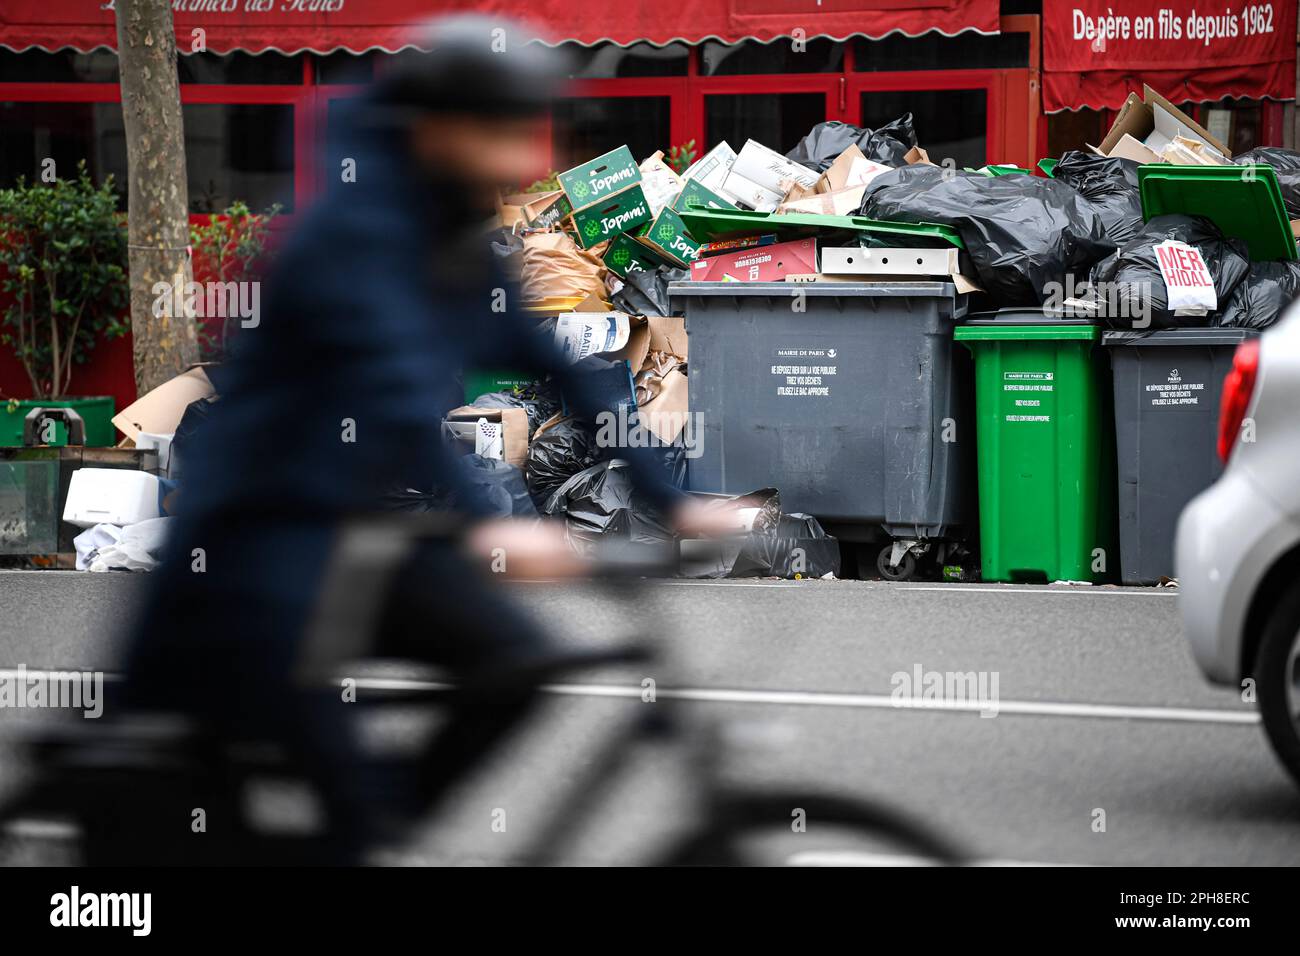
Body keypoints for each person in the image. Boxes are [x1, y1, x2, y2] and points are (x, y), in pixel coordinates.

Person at [113, 15, 691, 863]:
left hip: (367, 527)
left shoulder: (453, 226)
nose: (518, 158)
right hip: (267, 534)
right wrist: (486, 521)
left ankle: (390, 833)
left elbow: (557, 366)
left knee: (515, 663)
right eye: (498, 131)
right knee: (342, 791)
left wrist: (678, 501)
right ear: (440, 129)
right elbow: (386, 389)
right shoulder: (353, 230)